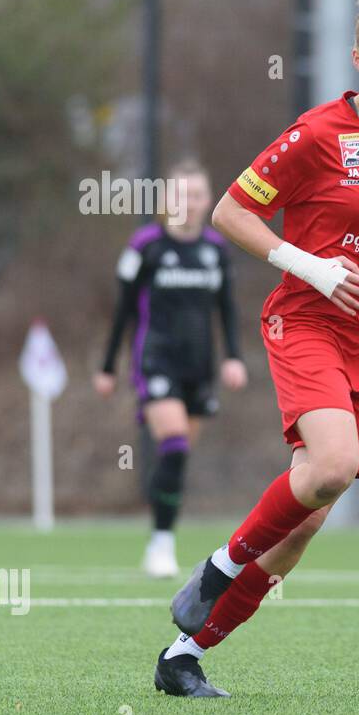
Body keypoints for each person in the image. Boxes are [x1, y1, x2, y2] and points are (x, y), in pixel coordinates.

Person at [153, 0, 359, 697]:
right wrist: (313, 267)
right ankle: (218, 568)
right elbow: (233, 213)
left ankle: (184, 653)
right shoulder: (316, 134)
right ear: (358, 60)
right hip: (308, 323)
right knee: (329, 467)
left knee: (303, 526)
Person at [97, 159, 248, 579]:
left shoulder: (215, 250)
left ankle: (162, 533)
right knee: (176, 443)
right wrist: (108, 367)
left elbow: (227, 309)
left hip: (199, 368)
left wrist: (233, 356)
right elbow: (124, 309)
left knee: (178, 456)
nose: (190, 203)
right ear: (166, 200)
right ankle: (160, 545)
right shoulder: (145, 245)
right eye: (181, 194)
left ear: (208, 200)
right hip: (155, 360)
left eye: (198, 195)